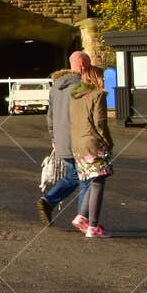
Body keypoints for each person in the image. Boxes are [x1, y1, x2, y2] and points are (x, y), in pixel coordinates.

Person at [37, 52, 88, 226]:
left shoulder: (55, 87)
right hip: (78, 140)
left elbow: (50, 116)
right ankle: (83, 218)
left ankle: (49, 201)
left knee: (75, 175)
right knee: (87, 178)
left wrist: (54, 137)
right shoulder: (81, 86)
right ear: (82, 65)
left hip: (61, 141)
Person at [69, 56, 114, 238]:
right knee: (98, 182)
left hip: (78, 144)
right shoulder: (98, 95)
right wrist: (108, 142)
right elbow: (100, 122)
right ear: (97, 78)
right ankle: (93, 226)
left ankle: (82, 216)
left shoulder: (75, 97)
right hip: (93, 142)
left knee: (91, 180)